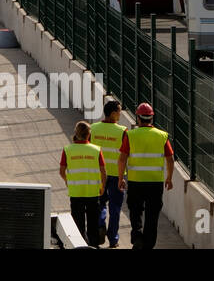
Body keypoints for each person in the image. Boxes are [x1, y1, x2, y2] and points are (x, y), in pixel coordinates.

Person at [118, 102, 174, 250]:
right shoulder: (162, 135)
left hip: (136, 182)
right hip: (155, 183)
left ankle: (137, 236)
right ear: (151, 118)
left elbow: (122, 158)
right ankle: (148, 244)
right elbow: (170, 158)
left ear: (138, 118)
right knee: (152, 215)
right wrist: (169, 178)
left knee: (135, 211)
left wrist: (120, 178)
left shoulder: (130, 135)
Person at [60, 120, 106, 247]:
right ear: (89, 134)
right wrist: (102, 186)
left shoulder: (68, 150)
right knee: (93, 221)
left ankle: (79, 244)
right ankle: (94, 244)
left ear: (76, 133)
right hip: (92, 192)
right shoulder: (96, 150)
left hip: (76, 192)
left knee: (78, 221)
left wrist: (68, 181)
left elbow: (62, 171)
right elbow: (103, 172)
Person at [90, 100, 127, 248]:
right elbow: (125, 155)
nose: (120, 113)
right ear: (112, 114)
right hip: (117, 175)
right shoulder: (123, 131)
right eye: (119, 111)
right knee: (116, 207)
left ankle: (99, 226)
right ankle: (113, 239)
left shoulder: (93, 128)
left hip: (99, 174)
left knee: (99, 204)